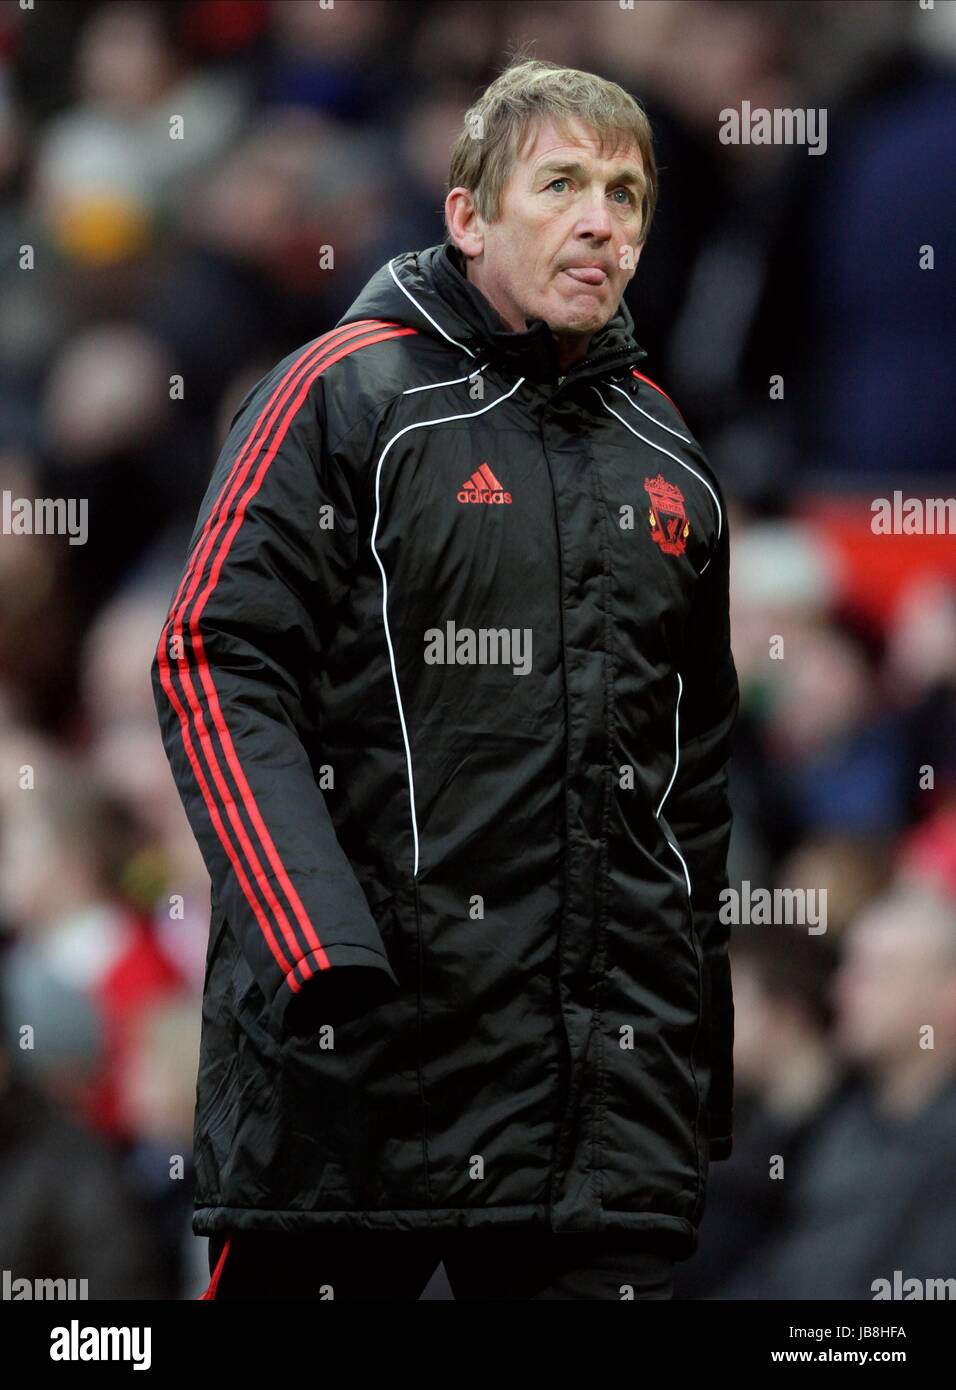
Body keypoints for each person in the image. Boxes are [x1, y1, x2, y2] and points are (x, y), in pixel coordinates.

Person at [151, 57, 739, 1301]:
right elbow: (210, 660)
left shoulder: (669, 458)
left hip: (595, 1118)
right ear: (467, 215)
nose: (601, 221)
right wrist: (313, 939)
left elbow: (692, 790)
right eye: (562, 184)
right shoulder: (338, 392)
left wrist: (691, 1061)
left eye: (627, 196)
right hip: (354, 1074)